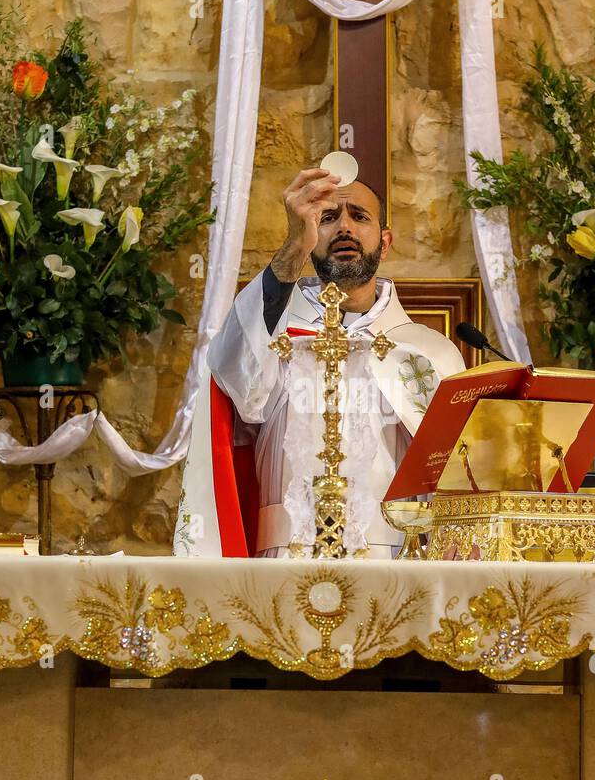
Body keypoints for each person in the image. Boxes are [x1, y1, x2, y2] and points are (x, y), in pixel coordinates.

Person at [185, 167, 466, 558]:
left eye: (360, 216)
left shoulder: (428, 353)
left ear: (384, 243)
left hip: (396, 563)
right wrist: (293, 247)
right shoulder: (271, 334)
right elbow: (237, 382)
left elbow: (458, 482)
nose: (344, 228)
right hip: (285, 556)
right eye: (329, 217)